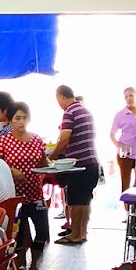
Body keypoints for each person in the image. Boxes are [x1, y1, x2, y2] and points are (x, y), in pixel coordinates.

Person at [0, 101, 52, 270]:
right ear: (10, 120)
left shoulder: (37, 140)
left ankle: (33, 267)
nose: (21, 121)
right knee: (17, 235)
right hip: (14, 197)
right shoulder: (4, 141)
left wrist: (52, 167)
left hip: (35, 193)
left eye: (24, 117)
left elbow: (44, 163)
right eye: (17, 118)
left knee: (43, 231)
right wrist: (12, 170)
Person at [49, 85, 101, 249]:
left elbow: (64, 139)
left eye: (58, 100)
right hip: (92, 162)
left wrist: (50, 157)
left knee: (76, 201)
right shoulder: (86, 112)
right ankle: (82, 233)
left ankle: (74, 234)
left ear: (61, 97)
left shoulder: (69, 112)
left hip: (79, 164)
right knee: (85, 200)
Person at [111, 86, 136, 192]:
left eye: (131, 95)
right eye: (126, 97)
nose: (129, 99)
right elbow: (112, 134)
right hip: (125, 154)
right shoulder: (120, 115)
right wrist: (120, 146)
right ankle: (127, 207)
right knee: (125, 183)